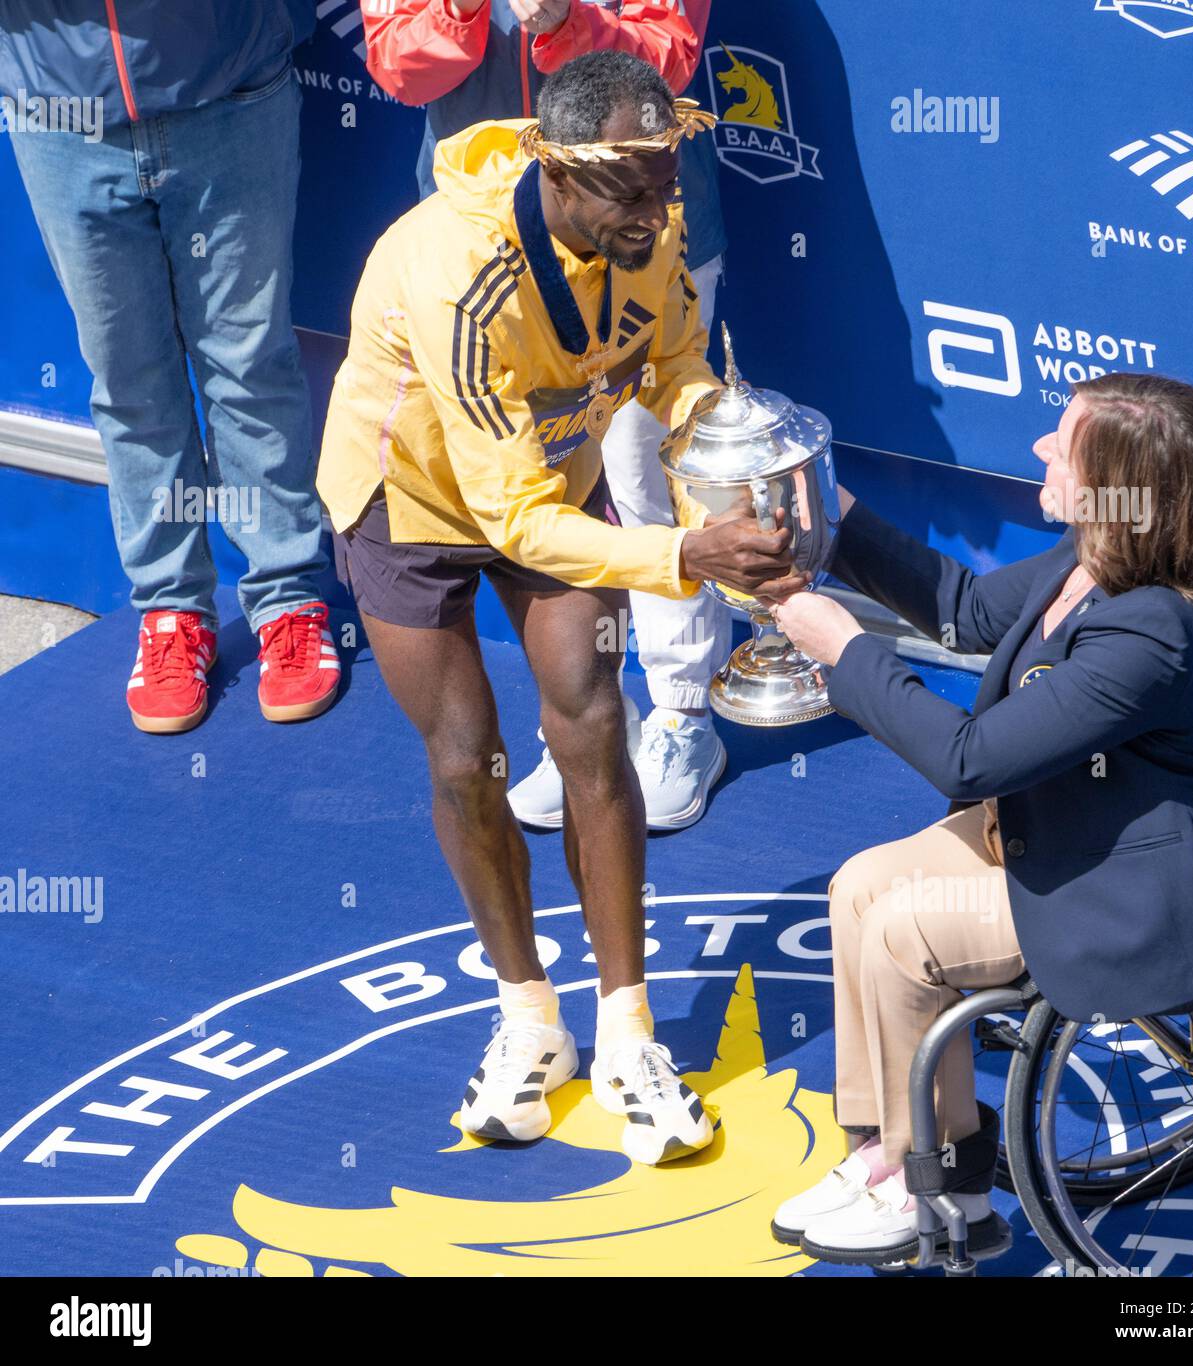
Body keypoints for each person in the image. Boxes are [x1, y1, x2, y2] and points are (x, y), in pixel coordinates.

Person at [316, 51, 802, 1164]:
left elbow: (671, 370)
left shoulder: (650, 223)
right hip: (410, 504)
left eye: (665, 181)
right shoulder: (455, 272)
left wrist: (729, 449)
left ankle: (628, 1032)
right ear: (557, 171)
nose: (656, 209)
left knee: (590, 721)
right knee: (465, 759)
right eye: (630, 189)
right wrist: (687, 548)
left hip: (553, 477)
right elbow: (514, 519)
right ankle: (528, 1014)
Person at [764, 373, 1193, 1263]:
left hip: (1126, 880)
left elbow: (966, 758)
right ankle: (884, 1150)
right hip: (1058, 824)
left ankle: (938, 1182)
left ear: (1119, 485)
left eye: (1064, 445)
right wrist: (827, 507)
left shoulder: (1150, 631)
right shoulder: (1085, 562)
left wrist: (847, 652)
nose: (1041, 452)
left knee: (903, 936)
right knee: (860, 886)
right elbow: (965, 612)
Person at [359, 0, 733, 830]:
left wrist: (565, 22)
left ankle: (682, 712)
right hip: (485, 245)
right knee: (531, 479)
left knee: (648, 468)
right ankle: (582, 722)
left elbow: (667, 64)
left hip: (640, 228)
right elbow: (398, 62)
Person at [1, 0, 341, 734]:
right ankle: (171, 613)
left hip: (230, 96)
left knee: (250, 364)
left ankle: (287, 602)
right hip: (60, 117)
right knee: (129, 380)